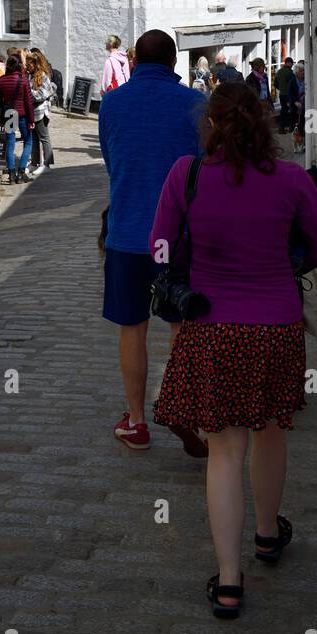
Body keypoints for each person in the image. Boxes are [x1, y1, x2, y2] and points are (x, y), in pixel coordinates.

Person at [150, 83, 317, 619]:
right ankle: (266, 534)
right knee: (270, 428)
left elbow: (159, 246)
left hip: (210, 326)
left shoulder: (185, 176)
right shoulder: (291, 179)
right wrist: (281, 261)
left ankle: (230, 583)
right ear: (261, 123)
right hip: (275, 326)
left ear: (209, 124)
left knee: (225, 450)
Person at [98, 29, 206, 454]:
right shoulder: (195, 105)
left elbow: (112, 161)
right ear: (174, 63)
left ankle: (137, 422)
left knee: (132, 327)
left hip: (127, 232)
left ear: (135, 62)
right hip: (180, 237)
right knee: (183, 324)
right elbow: (203, 166)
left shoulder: (112, 103)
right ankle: (186, 409)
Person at [0, 56, 35, 184]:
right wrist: (32, 119)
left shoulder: (1, 80)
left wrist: (0, 116)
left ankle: (11, 174)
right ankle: (22, 172)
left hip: (9, 114)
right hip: (22, 114)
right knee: (28, 141)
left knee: (10, 143)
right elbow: (29, 101)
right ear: (19, 65)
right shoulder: (23, 80)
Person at [27, 49, 55, 172]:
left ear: (36, 64)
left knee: (44, 138)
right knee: (34, 139)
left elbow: (41, 95)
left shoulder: (43, 76)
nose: (27, 67)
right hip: (32, 112)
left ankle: (47, 165)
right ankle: (34, 163)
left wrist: (27, 90)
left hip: (41, 112)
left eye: (29, 65)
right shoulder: (31, 76)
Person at [274, 56, 296, 133]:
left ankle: (281, 127)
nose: (292, 65)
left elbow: (275, 83)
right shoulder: (290, 73)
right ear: (289, 63)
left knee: (283, 110)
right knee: (292, 110)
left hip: (281, 95)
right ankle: (291, 127)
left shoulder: (279, 71)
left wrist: (281, 89)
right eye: (292, 63)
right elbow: (293, 84)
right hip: (288, 95)